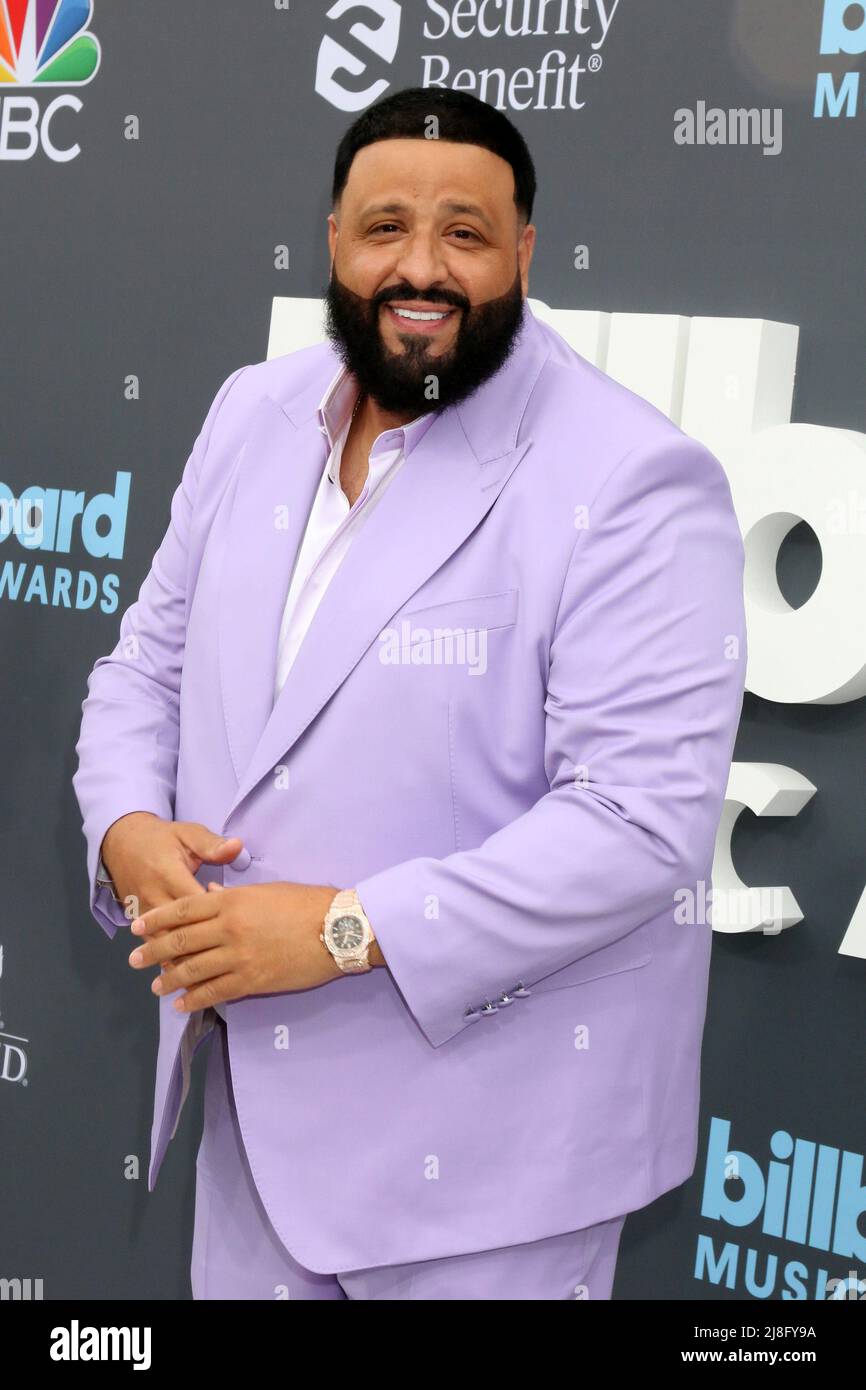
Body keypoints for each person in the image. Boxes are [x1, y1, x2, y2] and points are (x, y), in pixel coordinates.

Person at [73, 86, 747, 1300]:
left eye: (466, 234)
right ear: (332, 240)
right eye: (385, 228)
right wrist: (127, 828)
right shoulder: (250, 412)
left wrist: (341, 928)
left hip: (488, 1185)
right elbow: (145, 665)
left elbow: (639, 822)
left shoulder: (630, 475)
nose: (420, 268)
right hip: (254, 1140)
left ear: (524, 253)